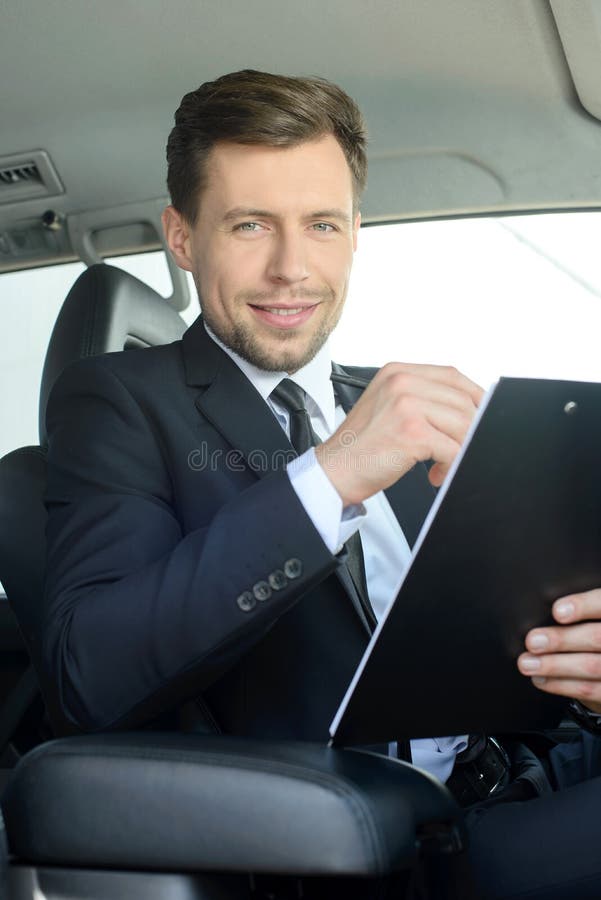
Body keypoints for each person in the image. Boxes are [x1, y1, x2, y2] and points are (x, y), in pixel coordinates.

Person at [43, 70, 601, 898]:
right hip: (371, 850)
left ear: (354, 234)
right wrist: (333, 473)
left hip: (524, 773)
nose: (290, 269)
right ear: (183, 237)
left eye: (321, 225)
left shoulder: (394, 402)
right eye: (249, 225)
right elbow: (90, 670)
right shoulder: (119, 404)